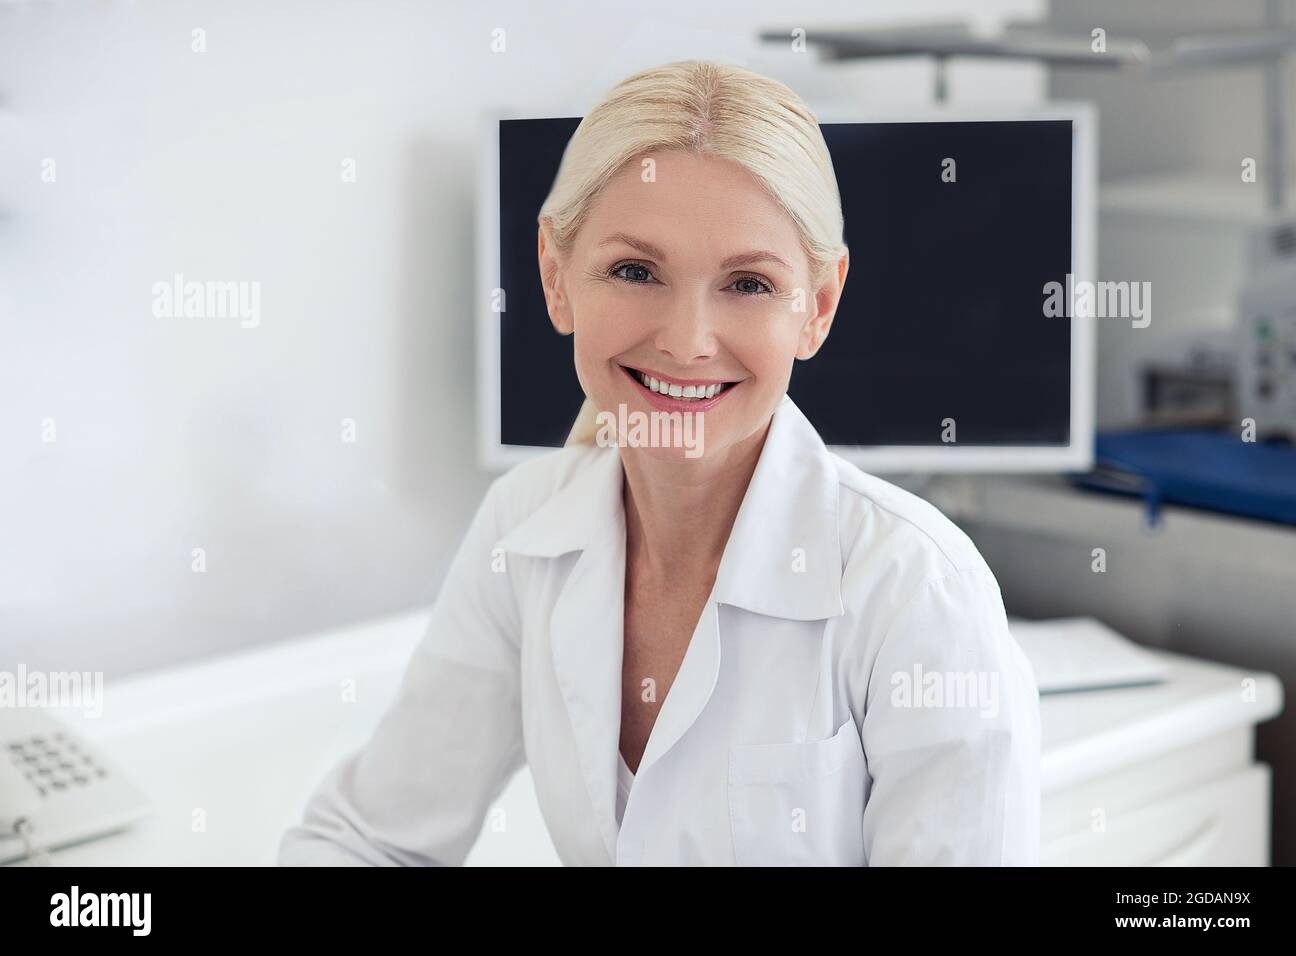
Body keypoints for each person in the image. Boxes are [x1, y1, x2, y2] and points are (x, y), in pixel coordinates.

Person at [278, 58, 1040, 866]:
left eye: (747, 283)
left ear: (817, 308)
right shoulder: (523, 526)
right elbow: (366, 839)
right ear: (555, 277)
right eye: (635, 271)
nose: (685, 340)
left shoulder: (917, 592)